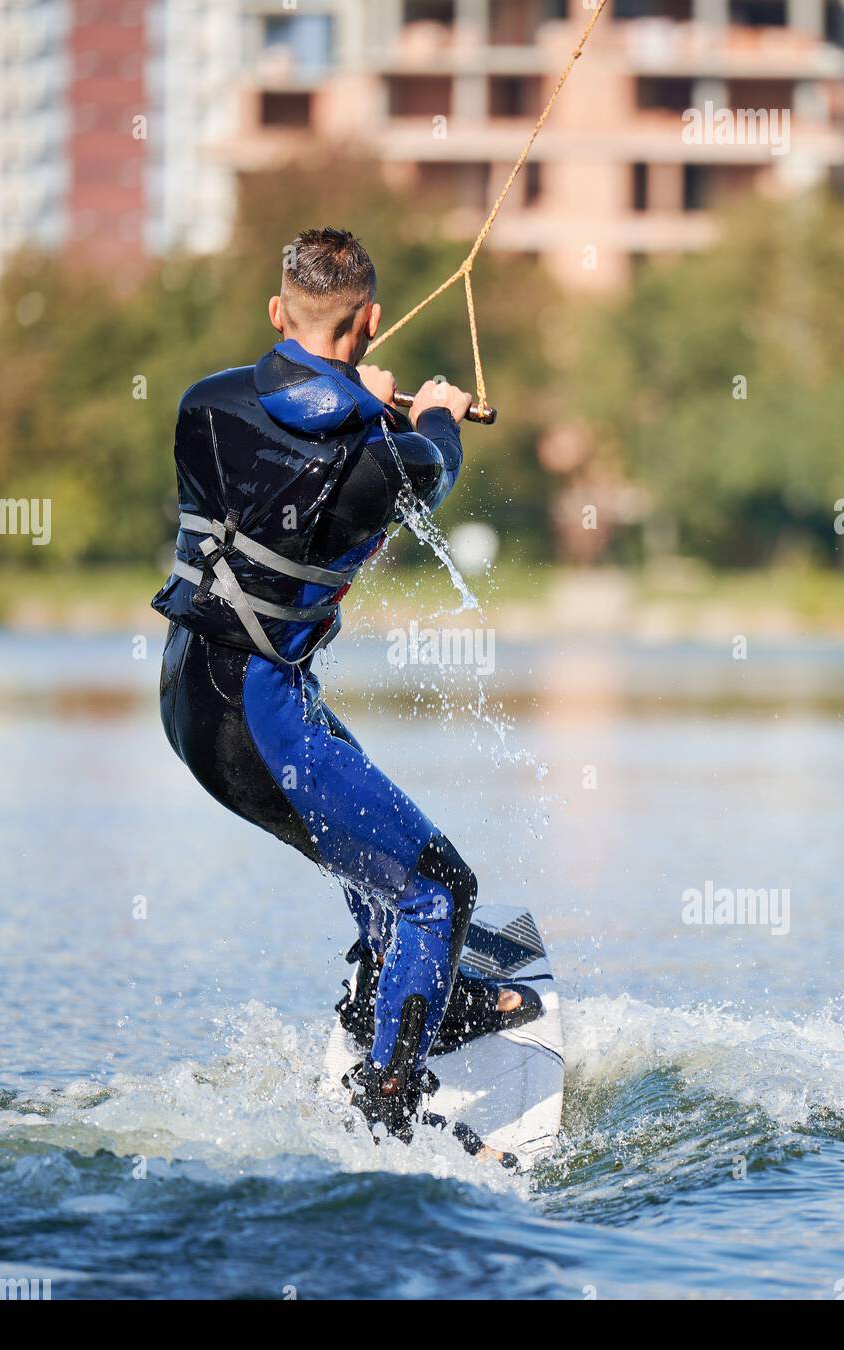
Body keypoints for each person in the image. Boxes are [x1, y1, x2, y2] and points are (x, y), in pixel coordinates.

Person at [153, 228, 537, 1143]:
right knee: (440, 886)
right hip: (258, 714)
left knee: (376, 864)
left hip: (185, 696)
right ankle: (391, 1099)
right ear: (371, 321)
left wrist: (352, 401)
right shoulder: (385, 453)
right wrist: (428, 407)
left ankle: (390, 994)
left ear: (279, 312)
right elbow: (427, 468)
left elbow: (285, 432)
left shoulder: (202, 405)